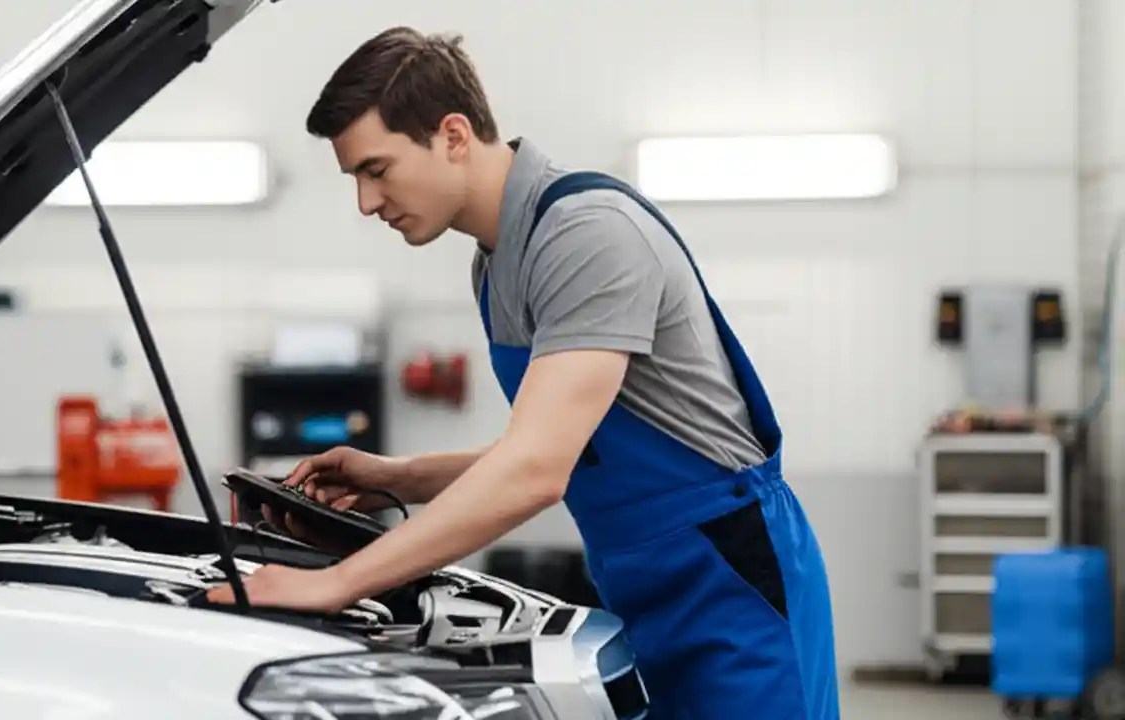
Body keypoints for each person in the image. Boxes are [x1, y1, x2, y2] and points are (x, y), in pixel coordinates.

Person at [207, 26, 839, 719]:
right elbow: (582, 447)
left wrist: (336, 585)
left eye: (376, 170)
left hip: (731, 582)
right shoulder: (495, 262)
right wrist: (395, 477)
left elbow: (539, 470)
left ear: (452, 135)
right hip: (646, 587)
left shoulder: (585, 234)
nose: (365, 202)